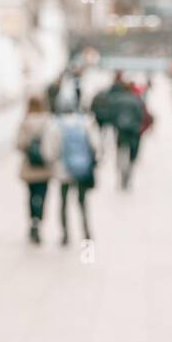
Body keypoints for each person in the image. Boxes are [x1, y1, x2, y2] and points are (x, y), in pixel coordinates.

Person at [51, 95, 100, 245]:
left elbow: (51, 151)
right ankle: (86, 233)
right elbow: (96, 145)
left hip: (64, 170)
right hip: (82, 169)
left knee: (64, 202)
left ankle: (65, 234)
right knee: (82, 202)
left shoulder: (56, 125)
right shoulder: (85, 122)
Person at [16, 95, 56, 244]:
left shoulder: (25, 122)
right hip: (45, 167)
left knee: (31, 195)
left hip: (30, 167)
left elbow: (19, 144)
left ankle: (32, 221)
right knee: (42, 195)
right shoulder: (49, 122)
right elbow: (55, 144)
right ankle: (39, 220)